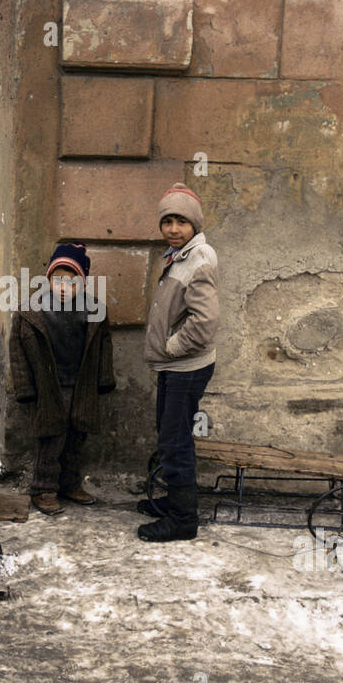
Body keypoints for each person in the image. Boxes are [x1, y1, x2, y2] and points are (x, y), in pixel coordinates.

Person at [9, 243, 115, 516]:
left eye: (72, 281)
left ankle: (70, 484)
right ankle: (44, 488)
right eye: (58, 280)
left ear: (83, 283)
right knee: (51, 437)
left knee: (77, 436)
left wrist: (103, 379)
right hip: (49, 386)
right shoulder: (31, 312)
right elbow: (18, 352)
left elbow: (104, 346)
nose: (64, 287)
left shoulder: (94, 311)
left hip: (80, 384)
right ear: (48, 280)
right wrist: (24, 387)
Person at [138, 184, 218, 542]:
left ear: (194, 224)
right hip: (175, 365)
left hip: (186, 365)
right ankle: (174, 501)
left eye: (181, 222)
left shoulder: (198, 260)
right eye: (167, 221)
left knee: (176, 439)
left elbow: (203, 324)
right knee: (169, 432)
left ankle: (184, 520)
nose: (173, 228)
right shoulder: (178, 255)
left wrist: (171, 347)